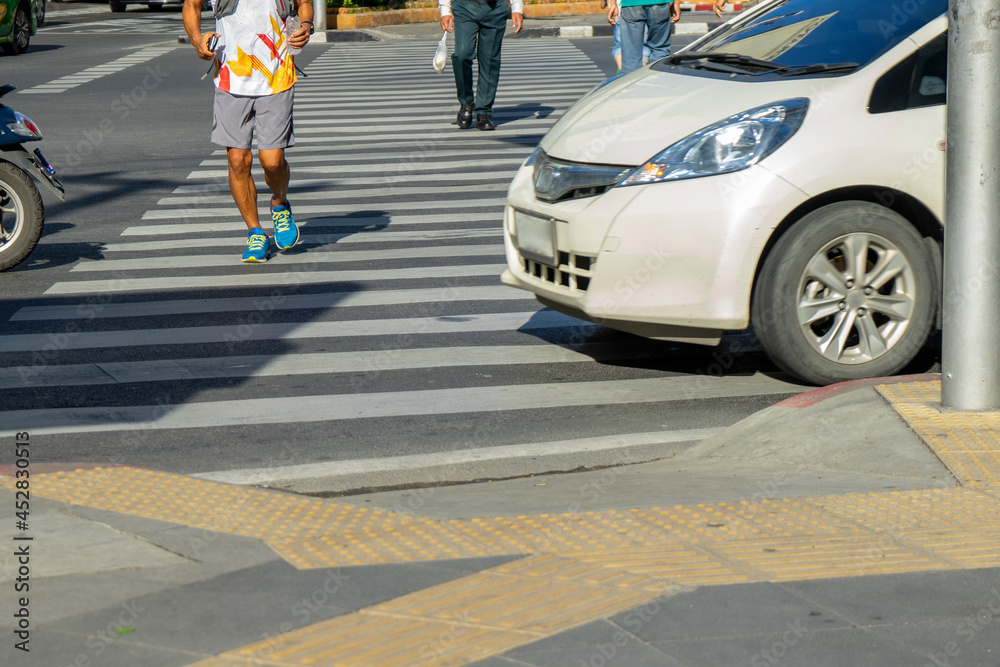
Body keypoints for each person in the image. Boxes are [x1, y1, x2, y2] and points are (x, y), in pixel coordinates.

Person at [183, 0, 313, 263]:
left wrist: (307, 26)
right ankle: (255, 232)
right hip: (231, 76)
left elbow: (304, 4)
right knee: (237, 160)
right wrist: (197, 39)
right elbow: (191, 5)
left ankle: (280, 205)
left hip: (277, 76)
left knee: (272, 160)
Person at [439, 0, 524, 131]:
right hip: (464, 7)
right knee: (462, 55)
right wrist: (445, 10)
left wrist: (517, 8)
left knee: (489, 60)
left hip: (495, 9)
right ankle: (466, 102)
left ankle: (483, 111)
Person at [609, 0, 679, 75]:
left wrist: (613, 4)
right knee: (660, 48)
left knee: (631, 51)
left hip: (631, 4)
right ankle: (659, 79)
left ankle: (632, 82)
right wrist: (676, 2)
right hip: (660, 3)